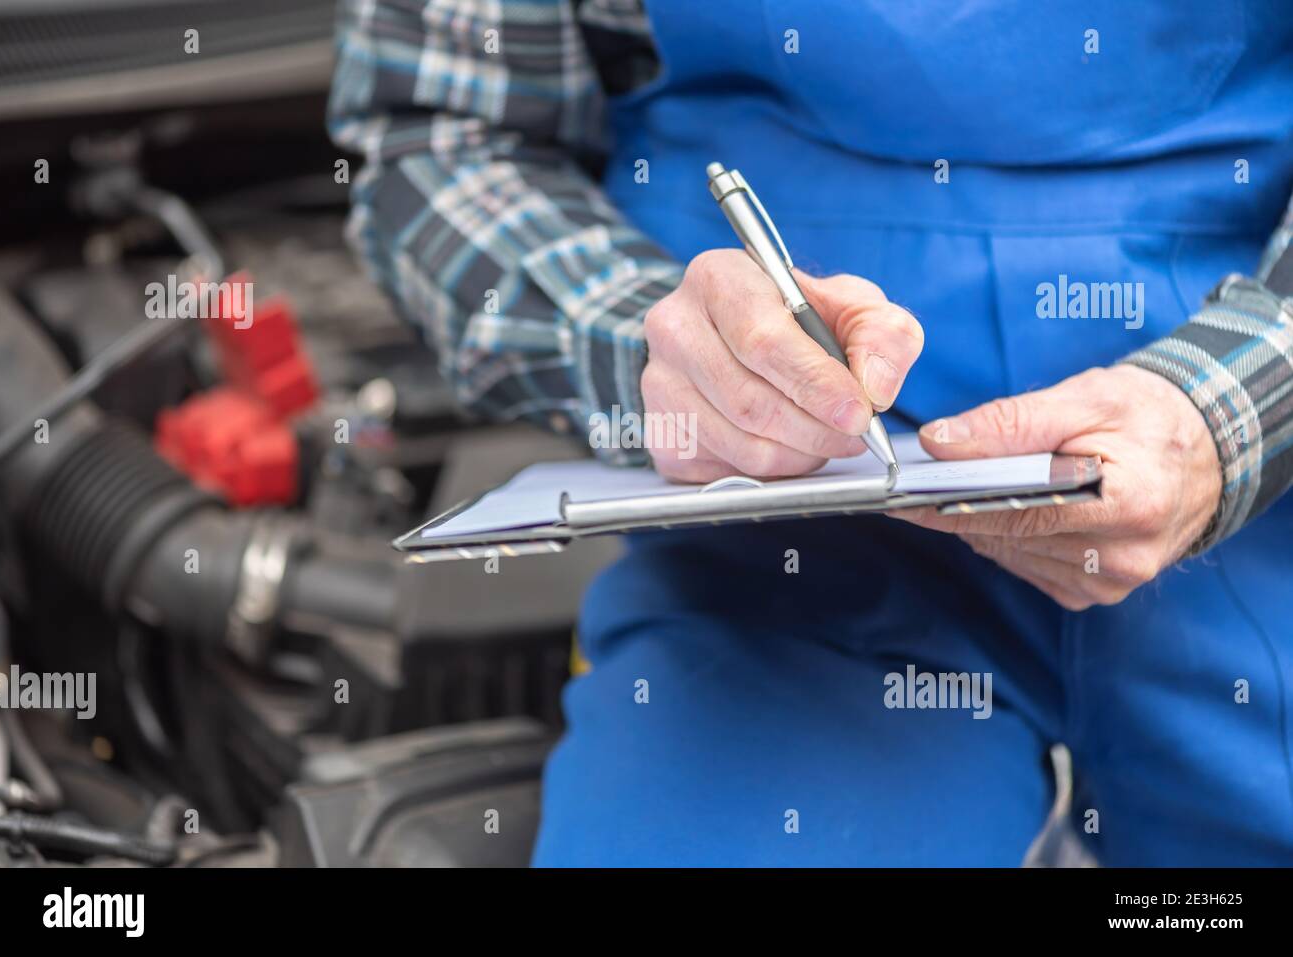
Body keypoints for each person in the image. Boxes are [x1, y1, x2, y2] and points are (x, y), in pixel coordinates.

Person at [329, 1, 1293, 865]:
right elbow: (446, 132)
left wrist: (1229, 405)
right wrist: (660, 353)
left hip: (1259, 522)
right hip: (783, 555)